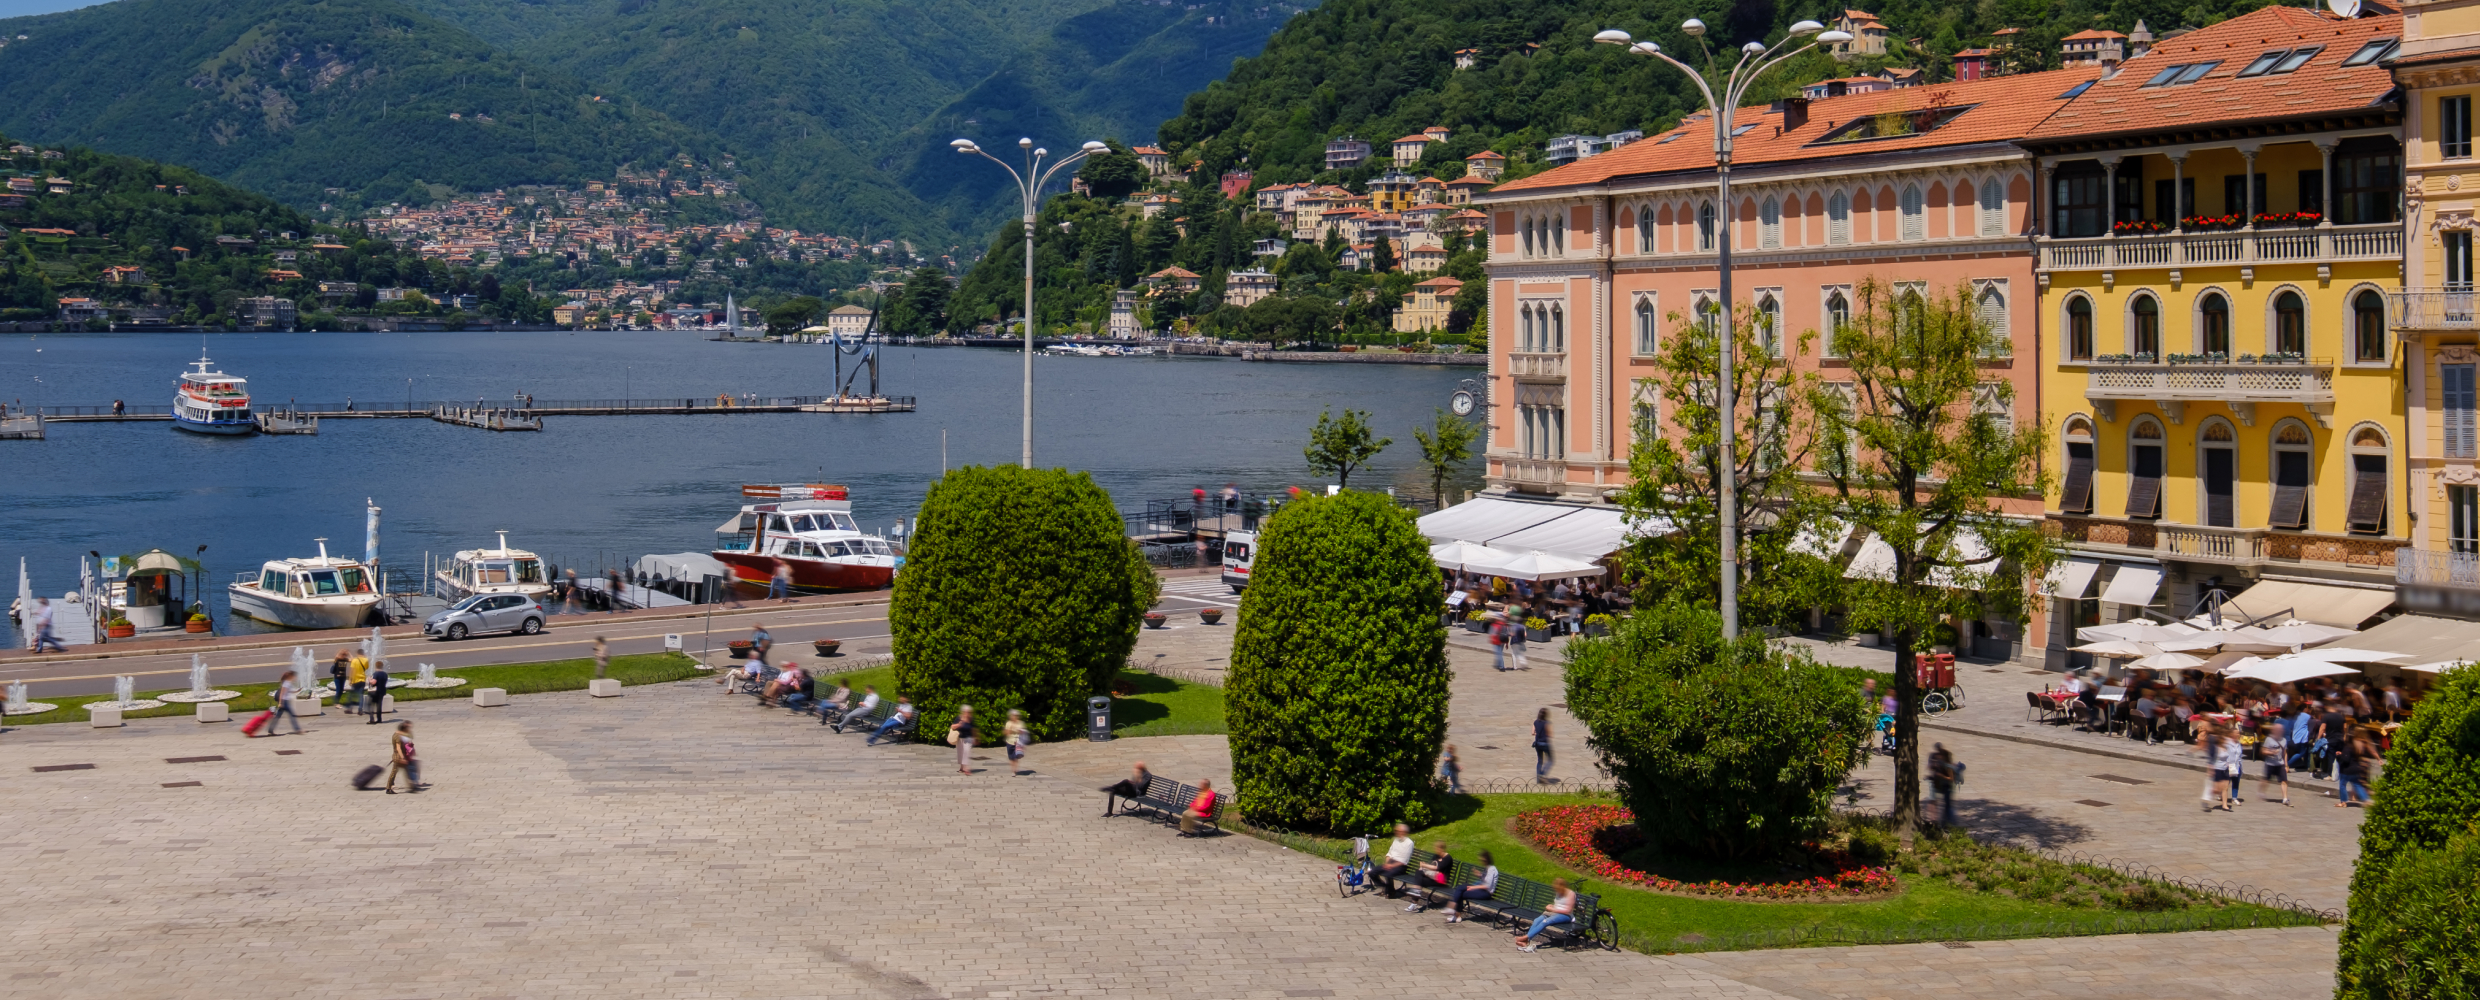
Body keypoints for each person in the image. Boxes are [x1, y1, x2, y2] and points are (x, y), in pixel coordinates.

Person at [1514, 877, 1577, 952]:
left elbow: (1568, 910)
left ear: (1563, 886)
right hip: (1554, 913)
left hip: (1566, 916)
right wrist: (1551, 906)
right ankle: (1526, 942)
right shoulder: (1558, 892)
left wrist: (1553, 909)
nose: (1556, 891)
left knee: (1546, 921)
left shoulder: (1571, 894)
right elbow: (1558, 905)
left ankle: (1525, 937)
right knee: (1537, 920)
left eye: (1558, 888)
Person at [1443, 849, 1498, 923]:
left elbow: (1487, 886)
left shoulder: (1492, 869)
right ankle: (1455, 914)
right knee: (1460, 888)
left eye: (1482, 860)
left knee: (1460, 892)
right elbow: (1485, 880)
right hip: (1481, 890)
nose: (1481, 862)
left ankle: (1454, 912)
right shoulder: (1487, 868)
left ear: (1486, 860)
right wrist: (1480, 875)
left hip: (1486, 893)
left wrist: (1473, 887)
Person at [1406, 843, 1455, 912]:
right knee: (1419, 874)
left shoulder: (1447, 858)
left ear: (1441, 849)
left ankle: (1414, 902)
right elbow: (1430, 866)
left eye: (1437, 849)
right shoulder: (1436, 856)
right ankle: (1415, 897)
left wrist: (1424, 865)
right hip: (1433, 878)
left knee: (1419, 880)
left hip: (1440, 881)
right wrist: (1422, 867)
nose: (1436, 850)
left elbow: (1437, 868)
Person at [1373, 823, 1414, 896]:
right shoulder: (1396, 840)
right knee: (1372, 872)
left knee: (1387, 874)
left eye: (1398, 831)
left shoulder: (1409, 843)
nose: (1396, 832)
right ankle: (1387, 888)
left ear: (1404, 832)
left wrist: (1391, 866)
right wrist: (1387, 863)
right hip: (1390, 863)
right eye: (1396, 831)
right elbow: (1389, 853)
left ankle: (1390, 891)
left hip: (1400, 866)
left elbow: (1404, 861)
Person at [2258, 720, 2292, 807]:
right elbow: (2263, 751)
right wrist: (2271, 752)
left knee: (2284, 780)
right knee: (2266, 779)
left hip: (2280, 764)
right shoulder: (2269, 739)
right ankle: (2261, 792)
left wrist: (2286, 764)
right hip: (2270, 763)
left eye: (2281, 731)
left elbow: (2285, 753)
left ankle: (2285, 798)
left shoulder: (2284, 740)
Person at [2337, 732, 2375, 808]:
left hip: (2347, 770)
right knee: (2357, 785)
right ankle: (2366, 800)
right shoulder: (2357, 747)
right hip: (2356, 769)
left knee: (2342, 785)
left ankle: (2343, 802)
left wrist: (2338, 756)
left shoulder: (2347, 747)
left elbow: (2346, 760)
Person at [385, 721, 423, 793]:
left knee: (403, 771)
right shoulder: (397, 736)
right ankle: (389, 788)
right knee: (396, 772)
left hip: (397, 756)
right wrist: (402, 757)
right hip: (398, 757)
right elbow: (398, 747)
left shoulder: (397, 734)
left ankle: (411, 787)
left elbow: (409, 737)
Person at [1928, 743, 1959, 826]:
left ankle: (1950, 821)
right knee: (1938, 802)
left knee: (1947, 805)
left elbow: (1951, 778)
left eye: (1939, 757)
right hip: (1940, 785)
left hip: (1947, 786)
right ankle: (1940, 820)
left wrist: (1941, 776)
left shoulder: (1948, 766)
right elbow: (1930, 768)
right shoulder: (1940, 764)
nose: (1938, 759)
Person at [949, 705, 977, 774]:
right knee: (960, 753)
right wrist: (959, 724)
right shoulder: (959, 718)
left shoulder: (971, 719)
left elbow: (973, 729)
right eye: (966, 712)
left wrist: (975, 738)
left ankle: (966, 769)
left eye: (969, 712)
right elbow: (952, 726)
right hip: (960, 738)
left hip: (968, 738)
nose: (967, 713)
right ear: (963, 712)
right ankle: (961, 768)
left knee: (966, 753)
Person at [1003, 708, 1030, 775]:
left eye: (1015, 715)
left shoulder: (1021, 723)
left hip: (1018, 742)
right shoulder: (1008, 723)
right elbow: (1006, 733)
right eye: (1012, 715)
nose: (1014, 717)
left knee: (1016, 756)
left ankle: (1014, 770)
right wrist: (1011, 728)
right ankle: (1012, 769)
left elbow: (1024, 733)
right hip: (1009, 741)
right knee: (1011, 757)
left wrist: (1021, 731)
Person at [1532, 708, 1554, 784]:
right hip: (1544, 743)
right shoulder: (1547, 723)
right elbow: (1549, 734)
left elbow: (1532, 732)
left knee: (1540, 761)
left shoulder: (1535, 722)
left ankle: (1538, 779)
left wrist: (1537, 733)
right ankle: (1542, 774)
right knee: (1551, 760)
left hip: (1537, 743)